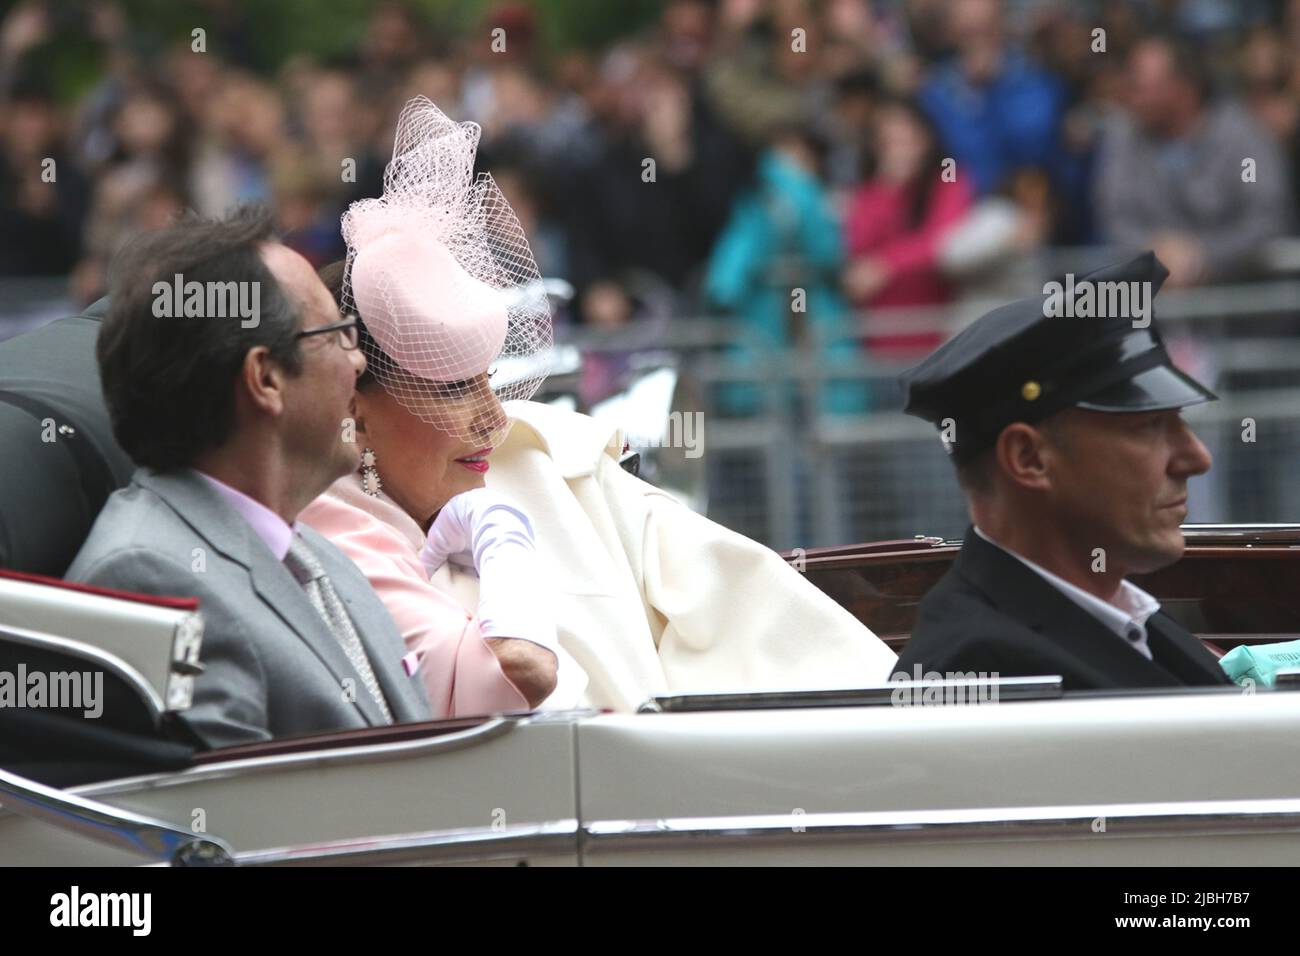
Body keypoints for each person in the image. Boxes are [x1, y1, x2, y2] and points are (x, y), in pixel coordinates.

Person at [305, 99, 898, 715]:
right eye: (454, 388)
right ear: (357, 407)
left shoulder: (559, 469)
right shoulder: (314, 541)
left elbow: (758, 613)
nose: (496, 416)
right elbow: (521, 694)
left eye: (490, 379)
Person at [65, 206, 433, 748]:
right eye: (339, 335)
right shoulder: (150, 578)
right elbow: (235, 826)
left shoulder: (311, 549)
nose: (357, 364)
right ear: (265, 379)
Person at [892, 251, 1232, 691]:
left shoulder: (1124, 615)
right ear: (1028, 459)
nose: (1196, 458)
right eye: (1149, 427)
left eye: (1180, 424)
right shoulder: (983, 670)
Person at [1094, 34, 1292, 286]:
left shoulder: (1244, 139)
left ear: (1183, 85)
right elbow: (1114, 216)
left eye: (1141, 84)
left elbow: (1266, 217)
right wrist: (1154, 252)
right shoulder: (1123, 139)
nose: (1132, 93)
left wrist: (1204, 255)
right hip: (1155, 313)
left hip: (1237, 308)